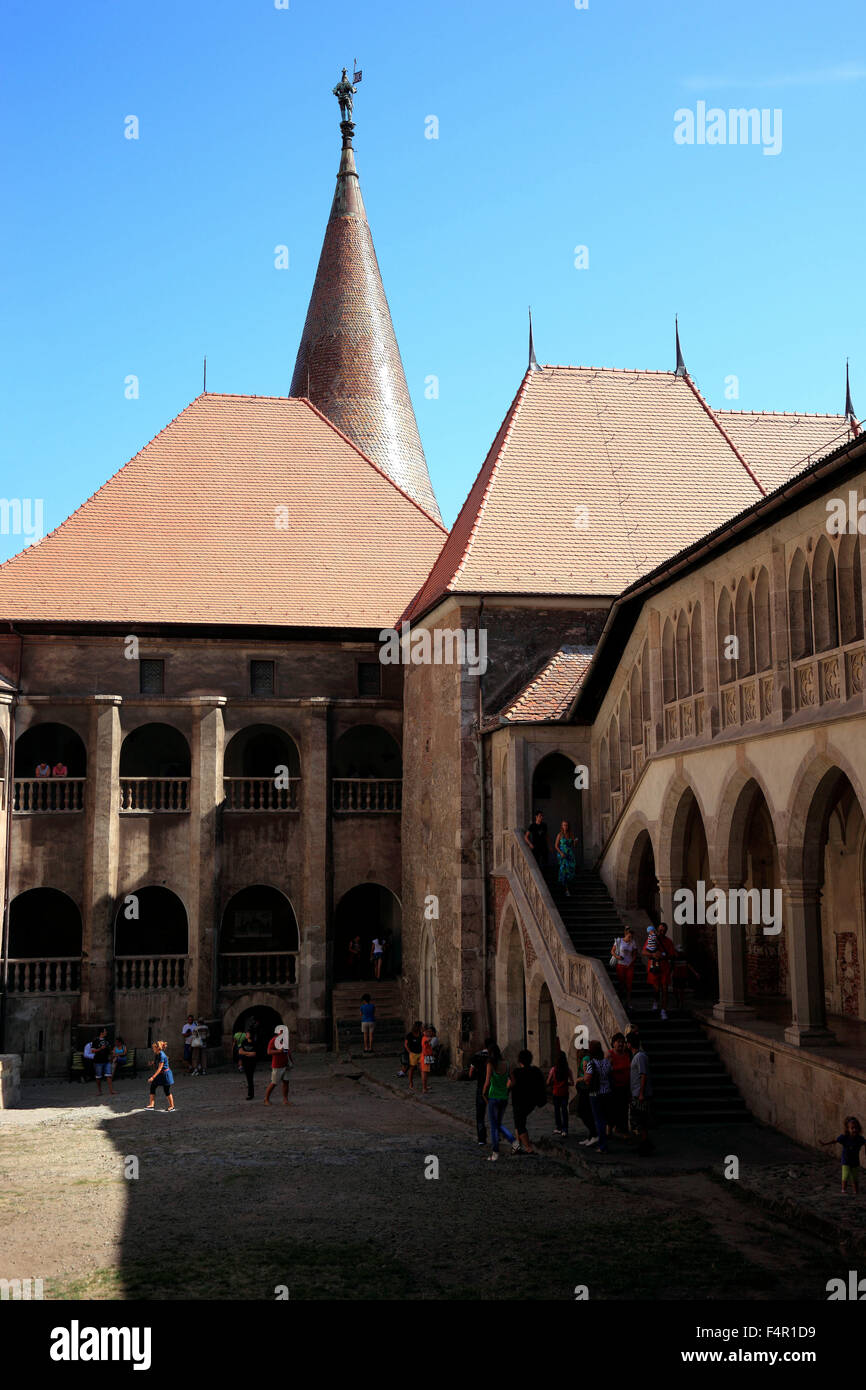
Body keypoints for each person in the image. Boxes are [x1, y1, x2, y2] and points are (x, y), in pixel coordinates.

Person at [510, 1048, 545, 1154]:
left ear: (519, 1060)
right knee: (518, 1123)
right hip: (531, 1102)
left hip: (519, 1102)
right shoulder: (535, 1071)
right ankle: (516, 1147)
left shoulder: (516, 1072)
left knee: (520, 1125)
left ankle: (529, 1148)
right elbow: (542, 1084)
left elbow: (510, 1085)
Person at [483, 1052, 517, 1162]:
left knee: (494, 1126)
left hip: (493, 1097)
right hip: (504, 1097)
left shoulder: (490, 1065)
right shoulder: (507, 1064)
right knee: (497, 1124)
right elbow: (513, 1081)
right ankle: (514, 1143)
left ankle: (495, 1153)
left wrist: (483, 1093)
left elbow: (487, 1082)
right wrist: (506, 1090)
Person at [820, 1116, 865, 1196]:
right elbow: (835, 1141)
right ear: (848, 1129)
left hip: (855, 1161)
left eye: (856, 1128)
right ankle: (843, 1190)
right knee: (845, 1175)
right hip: (846, 1160)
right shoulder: (844, 1137)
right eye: (852, 1128)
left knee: (855, 1177)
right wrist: (825, 1143)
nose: (854, 1130)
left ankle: (856, 1191)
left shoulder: (860, 1139)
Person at [468, 1037, 500, 1145]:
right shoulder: (497, 1057)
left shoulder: (477, 1056)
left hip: (482, 1087)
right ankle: (497, 1135)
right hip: (495, 1089)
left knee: (480, 1115)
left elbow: (470, 1074)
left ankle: (481, 1139)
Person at [584, 1040, 612, 1152]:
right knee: (604, 1119)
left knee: (599, 1120)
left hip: (595, 1093)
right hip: (607, 1092)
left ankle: (602, 1145)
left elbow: (587, 1079)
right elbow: (610, 1074)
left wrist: (585, 1074)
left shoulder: (591, 1063)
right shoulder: (606, 1062)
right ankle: (604, 1143)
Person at [627, 1032, 653, 1154]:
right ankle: (644, 1144)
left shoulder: (639, 1057)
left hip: (640, 1094)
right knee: (639, 1120)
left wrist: (641, 1093)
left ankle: (645, 1145)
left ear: (629, 1044)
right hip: (637, 1093)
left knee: (640, 1120)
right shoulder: (637, 1056)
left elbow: (643, 1075)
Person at [606, 1032, 631, 1137]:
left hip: (625, 1087)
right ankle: (609, 1129)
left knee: (623, 1109)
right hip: (614, 1087)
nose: (620, 1044)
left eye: (622, 1042)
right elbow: (606, 1070)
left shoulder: (626, 1054)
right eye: (618, 1042)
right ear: (613, 1043)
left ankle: (621, 1129)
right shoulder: (610, 1054)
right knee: (613, 1109)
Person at [264, 1027, 293, 1106]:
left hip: (285, 1065)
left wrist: (291, 1061)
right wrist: (278, 1051)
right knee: (274, 1083)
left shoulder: (285, 1040)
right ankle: (266, 1099)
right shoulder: (274, 1040)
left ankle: (285, 1100)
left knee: (286, 1082)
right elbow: (269, 1051)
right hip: (277, 1065)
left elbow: (288, 1051)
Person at [547, 1049, 573, 1136]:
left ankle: (559, 1127)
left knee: (557, 1110)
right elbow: (572, 1083)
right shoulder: (568, 1070)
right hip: (565, 1092)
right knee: (564, 1110)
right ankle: (565, 1129)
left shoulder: (553, 1070)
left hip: (556, 1092)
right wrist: (566, 1083)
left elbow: (547, 1082)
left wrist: (553, 1082)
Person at [575, 1046, 597, 1145]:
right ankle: (591, 1136)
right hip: (585, 1089)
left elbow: (586, 1076)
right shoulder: (587, 1058)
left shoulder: (585, 1059)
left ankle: (594, 1134)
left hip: (585, 1090)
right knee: (586, 1112)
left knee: (583, 1112)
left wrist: (578, 1080)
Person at [612, 927, 639, 1009]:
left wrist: (631, 962)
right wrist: (617, 957)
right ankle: (620, 1001)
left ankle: (628, 1002)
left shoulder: (633, 942)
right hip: (621, 964)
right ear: (626, 935)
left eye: (631, 937)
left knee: (629, 984)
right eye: (629, 936)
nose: (630, 938)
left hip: (629, 965)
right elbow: (612, 951)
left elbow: (635, 954)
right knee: (621, 983)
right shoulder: (619, 941)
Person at [654, 922, 676, 1019]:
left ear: (666, 931)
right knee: (656, 988)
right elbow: (645, 951)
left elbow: (672, 955)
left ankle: (663, 1010)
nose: (661, 932)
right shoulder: (653, 940)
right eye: (659, 930)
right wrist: (653, 955)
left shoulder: (668, 942)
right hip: (655, 966)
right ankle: (655, 1002)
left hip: (665, 967)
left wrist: (663, 955)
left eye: (663, 930)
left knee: (665, 989)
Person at [146, 1040, 175, 1111]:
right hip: (161, 1074)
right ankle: (151, 1105)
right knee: (153, 1086)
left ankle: (172, 1106)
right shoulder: (157, 1054)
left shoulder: (162, 1055)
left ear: (157, 1048)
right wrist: (152, 1063)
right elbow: (156, 1062)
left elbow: (159, 1068)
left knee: (166, 1090)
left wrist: (153, 1077)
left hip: (165, 1075)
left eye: (153, 1048)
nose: (153, 1049)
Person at [672, 946, 701, 1012]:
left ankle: (681, 1004)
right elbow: (671, 968)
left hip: (682, 976)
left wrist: (695, 973)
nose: (680, 953)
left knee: (681, 991)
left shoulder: (685, 958)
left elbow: (689, 966)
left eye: (681, 952)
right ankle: (678, 1002)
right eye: (678, 952)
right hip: (676, 976)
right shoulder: (673, 959)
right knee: (675, 990)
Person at [555, 820, 577, 896]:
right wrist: (561, 853)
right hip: (563, 855)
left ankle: (569, 887)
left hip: (570, 855)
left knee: (571, 871)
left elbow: (574, 846)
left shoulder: (571, 834)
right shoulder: (560, 835)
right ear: (562, 826)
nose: (565, 827)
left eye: (566, 825)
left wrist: (575, 842)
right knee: (564, 871)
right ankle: (566, 889)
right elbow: (556, 846)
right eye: (564, 825)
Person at [92, 1030, 115, 1098]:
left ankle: (111, 1090)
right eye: (105, 1031)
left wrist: (111, 1055)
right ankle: (99, 1091)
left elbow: (109, 1050)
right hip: (98, 1061)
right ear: (101, 1032)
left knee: (109, 1075)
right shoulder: (95, 1040)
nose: (106, 1032)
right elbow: (92, 1051)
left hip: (106, 1060)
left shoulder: (107, 1040)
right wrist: (100, 1048)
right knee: (98, 1077)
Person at [238, 1028, 258, 1100]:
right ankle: (250, 1094)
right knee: (248, 1078)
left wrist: (245, 1053)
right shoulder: (244, 1042)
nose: (246, 1035)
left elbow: (254, 1054)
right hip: (245, 1062)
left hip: (252, 1063)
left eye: (247, 1033)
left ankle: (251, 1094)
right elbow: (240, 1052)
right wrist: (248, 1053)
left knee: (250, 1078)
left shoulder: (254, 1043)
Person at [404, 1021, 423, 1091]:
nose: (422, 1027)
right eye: (421, 1026)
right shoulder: (410, 1035)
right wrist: (410, 1052)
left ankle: (424, 1084)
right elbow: (406, 1044)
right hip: (413, 1054)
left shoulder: (421, 1034)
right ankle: (411, 1084)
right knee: (412, 1069)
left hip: (420, 1053)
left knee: (422, 1069)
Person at [420, 1026, 435, 1094]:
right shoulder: (424, 1038)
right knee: (424, 1073)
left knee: (427, 1072)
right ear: (423, 1032)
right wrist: (430, 1038)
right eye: (427, 1031)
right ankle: (424, 1088)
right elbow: (427, 1041)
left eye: (429, 1031)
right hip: (425, 1057)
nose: (429, 1033)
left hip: (428, 1056)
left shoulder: (425, 1037)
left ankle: (425, 1086)